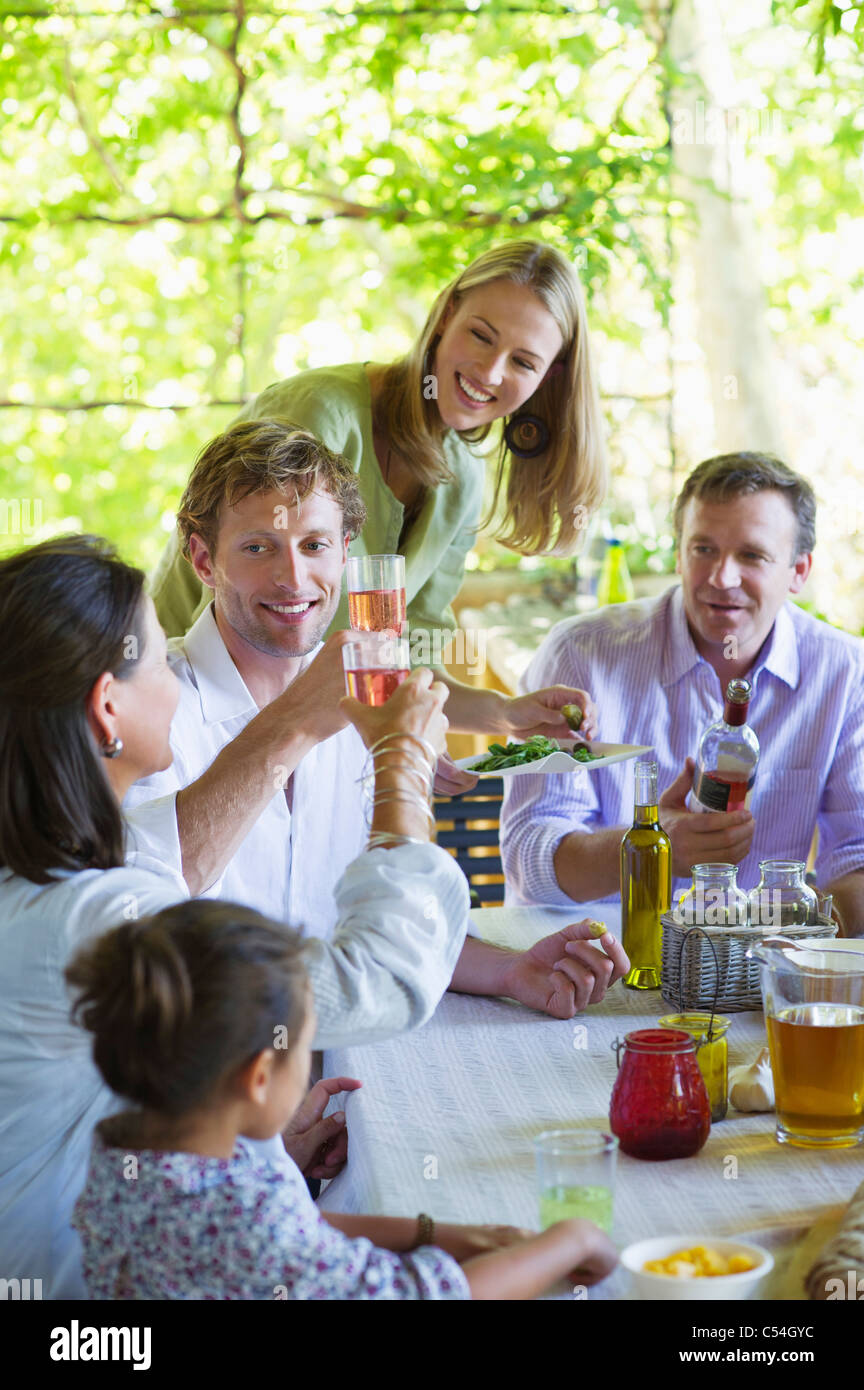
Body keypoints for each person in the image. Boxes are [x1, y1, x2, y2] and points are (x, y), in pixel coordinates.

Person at [0, 536, 471, 1298]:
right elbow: (370, 982)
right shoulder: (93, 914)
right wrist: (403, 769)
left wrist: (251, 1144)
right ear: (107, 705)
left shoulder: (58, 863)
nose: (178, 685)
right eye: (160, 660)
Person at [124, 424, 628, 1014]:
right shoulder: (146, 702)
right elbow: (143, 895)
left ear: (345, 554)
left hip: (338, 1053)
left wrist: (511, 969)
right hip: (208, 1074)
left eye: (314, 545)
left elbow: (375, 913)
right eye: (258, 547)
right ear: (204, 559)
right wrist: (298, 722)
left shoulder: (368, 706)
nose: (293, 578)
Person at [149, 240, 607, 782]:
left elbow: (408, 659)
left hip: (306, 744)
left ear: (547, 379)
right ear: (445, 317)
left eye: (524, 361)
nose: (490, 370)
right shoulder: (319, 414)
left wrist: (503, 714)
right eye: (480, 336)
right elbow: (242, 618)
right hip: (185, 719)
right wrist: (384, 738)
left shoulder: (462, 477)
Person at [69, 901, 618, 1300]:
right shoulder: (246, 1221)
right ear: (260, 1077)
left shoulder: (130, 1158)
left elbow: (294, 1229)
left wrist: (445, 1234)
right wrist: (569, 1241)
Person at [501, 453, 864, 936]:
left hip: (756, 972)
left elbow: (858, 858)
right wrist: (653, 846)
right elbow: (530, 856)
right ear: (677, 554)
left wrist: (783, 932)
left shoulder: (845, 673)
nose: (721, 578)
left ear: (799, 571)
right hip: (590, 962)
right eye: (703, 550)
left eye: (751, 556)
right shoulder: (579, 654)